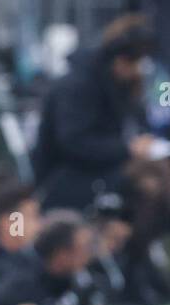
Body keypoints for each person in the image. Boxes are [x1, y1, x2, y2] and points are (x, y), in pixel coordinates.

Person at [35, 14, 156, 212]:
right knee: (149, 183)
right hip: (68, 178)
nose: (137, 71)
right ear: (119, 60)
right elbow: (74, 142)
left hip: (100, 171)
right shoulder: (78, 86)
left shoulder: (119, 85)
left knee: (156, 171)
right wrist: (127, 149)